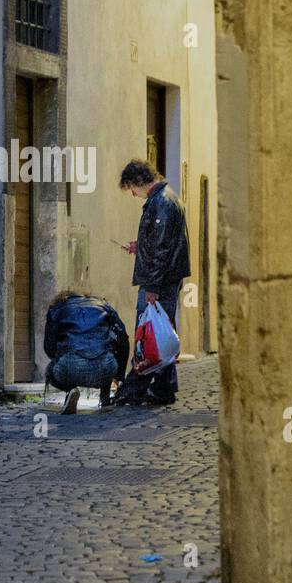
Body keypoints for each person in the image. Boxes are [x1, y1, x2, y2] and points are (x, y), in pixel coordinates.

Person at [117, 159, 191, 406]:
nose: (132, 194)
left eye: (130, 189)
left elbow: (162, 249)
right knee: (159, 333)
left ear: (138, 181)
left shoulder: (162, 202)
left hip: (160, 281)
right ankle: (163, 388)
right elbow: (162, 242)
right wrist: (141, 246)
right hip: (165, 278)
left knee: (147, 333)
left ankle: (135, 389)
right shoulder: (166, 198)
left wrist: (152, 288)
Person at [43, 290, 130, 414]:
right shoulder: (104, 306)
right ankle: (105, 399)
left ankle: (71, 390)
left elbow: (49, 348)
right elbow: (123, 340)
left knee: (50, 372)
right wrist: (119, 376)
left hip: (69, 368)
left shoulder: (56, 309)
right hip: (105, 369)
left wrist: (61, 357)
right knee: (107, 352)